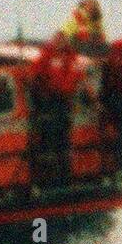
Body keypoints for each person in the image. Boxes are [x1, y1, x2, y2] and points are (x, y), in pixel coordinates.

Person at [28, 32, 85, 184]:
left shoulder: (72, 59)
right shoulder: (46, 57)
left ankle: (65, 176)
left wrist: (92, 99)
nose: (61, 43)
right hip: (49, 103)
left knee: (64, 141)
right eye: (58, 40)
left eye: (63, 40)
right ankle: (49, 179)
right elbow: (34, 77)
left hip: (65, 103)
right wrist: (40, 98)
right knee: (49, 141)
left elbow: (81, 80)